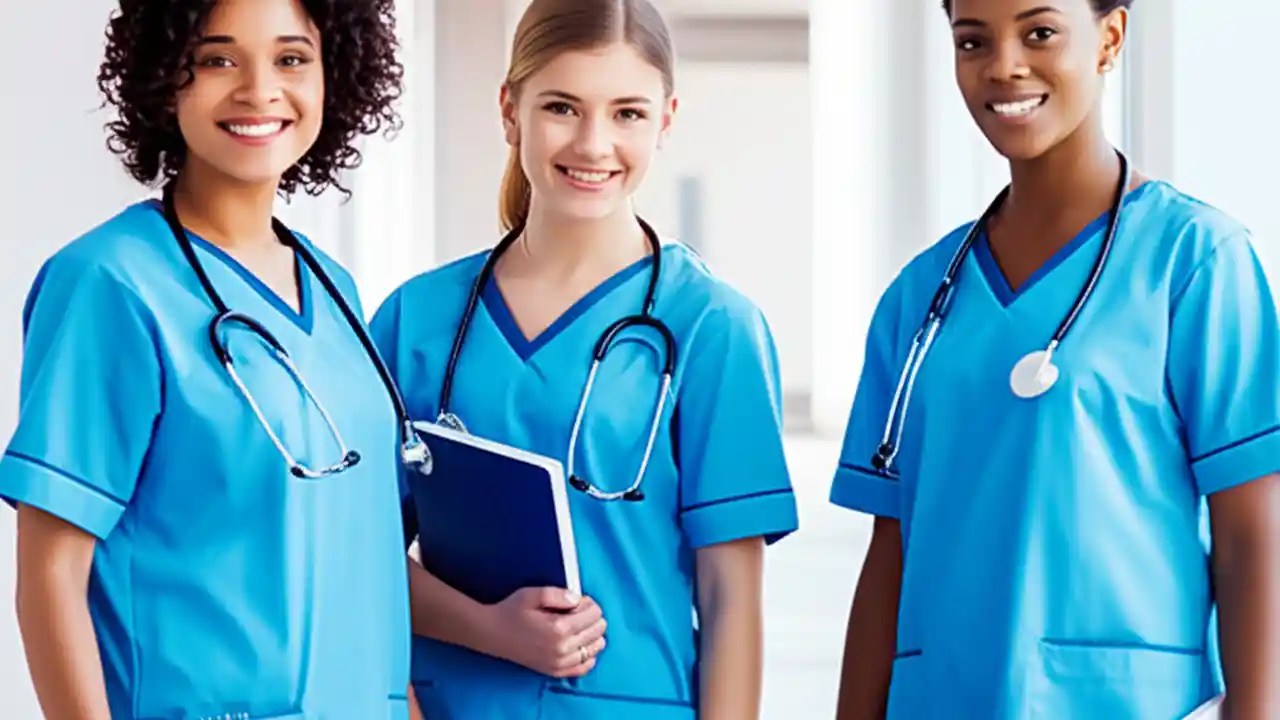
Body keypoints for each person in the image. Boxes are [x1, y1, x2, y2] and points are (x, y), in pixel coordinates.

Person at [831, 0, 1280, 717]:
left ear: (1109, 37)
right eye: (972, 40)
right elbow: (891, 552)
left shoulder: (1196, 262)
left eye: (1038, 32)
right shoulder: (918, 296)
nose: (1003, 65)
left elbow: (1253, 532)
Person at [369, 0, 800, 717]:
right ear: (510, 111)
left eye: (627, 113)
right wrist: (488, 629)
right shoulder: (418, 318)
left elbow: (731, 601)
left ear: (665, 120)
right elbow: (358, 549)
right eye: (562, 107)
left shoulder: (712, 328)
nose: (594, 143)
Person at [1, 0, 420, 718]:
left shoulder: (334, 287)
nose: (259, 90)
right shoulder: (110, 283)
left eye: (291, 59)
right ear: (166, 78)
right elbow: (50, 574)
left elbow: (363, 559)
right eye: (217, 58)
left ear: (334, 76)